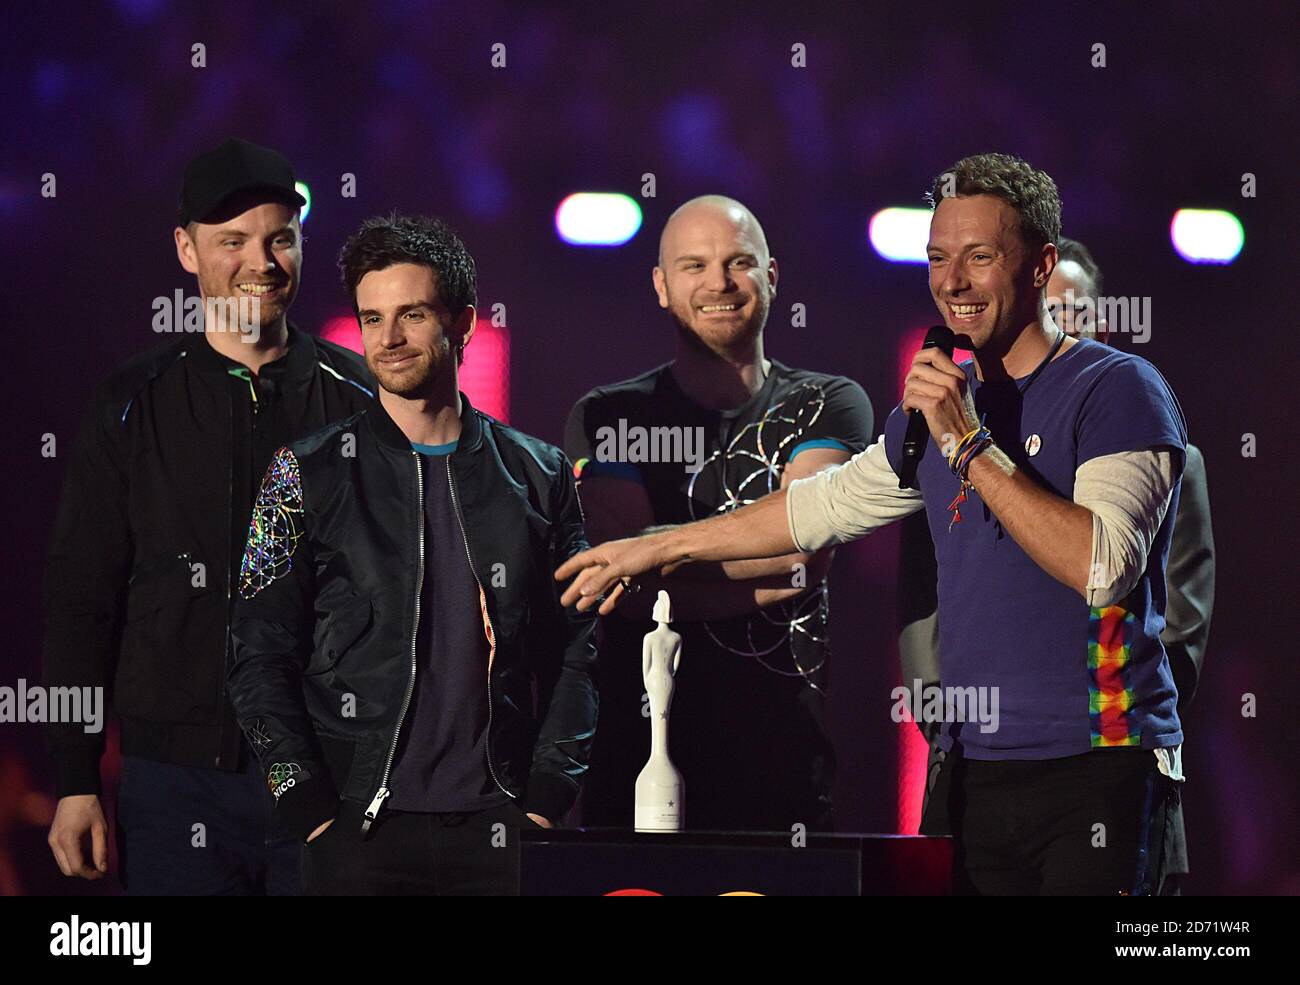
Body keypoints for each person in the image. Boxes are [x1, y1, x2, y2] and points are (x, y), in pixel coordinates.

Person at [556, 154, 1188, 895]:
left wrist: (969, 444)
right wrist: (654, 548)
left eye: (980, 257)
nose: (953, 282)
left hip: (1099, 763)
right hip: (972, 769)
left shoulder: (1116, 389)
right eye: (938, 258)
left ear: (1042, 265)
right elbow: (813, 510)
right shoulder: (936, 409)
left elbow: (1103, 566)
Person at [227, 213, 598, 895]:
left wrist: (549, 796)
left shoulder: (539, 473)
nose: (389, 339)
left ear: (462, 322)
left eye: (412, 315)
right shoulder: (305, 471)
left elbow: (577, 650)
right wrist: (306, 802)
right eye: (372, 318)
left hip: (501, 828)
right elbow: (256, 651)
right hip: (356, 831)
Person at [42, 138, 376, 894]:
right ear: (186, 250)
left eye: (280, 239)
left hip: (330, 779)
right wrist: (75, 777)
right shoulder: (131, 403)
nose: (261, 262)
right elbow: (80, 600)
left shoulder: (362, 401)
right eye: (233, 241)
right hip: (172, 788)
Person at [897, 235, 1215, 893]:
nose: (1050, 325)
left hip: (1102, 766)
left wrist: (1101, 726)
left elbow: (1179, 622)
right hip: (975, 768)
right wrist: (954, 720)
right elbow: (924, 602)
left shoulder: (1152, 442)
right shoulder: (944, 445)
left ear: (1103, 327)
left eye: (1068, 313)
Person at [565, 195, 873, 832]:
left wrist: (654, 555)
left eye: (739, 262)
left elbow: (803, 551)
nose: (719, 283)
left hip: (784, 765)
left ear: (772, 275)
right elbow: (621, 586)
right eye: (694, 265)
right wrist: (767, 562)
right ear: (661, 285)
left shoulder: (828, 401)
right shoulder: (610, 414)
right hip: (634, 760)